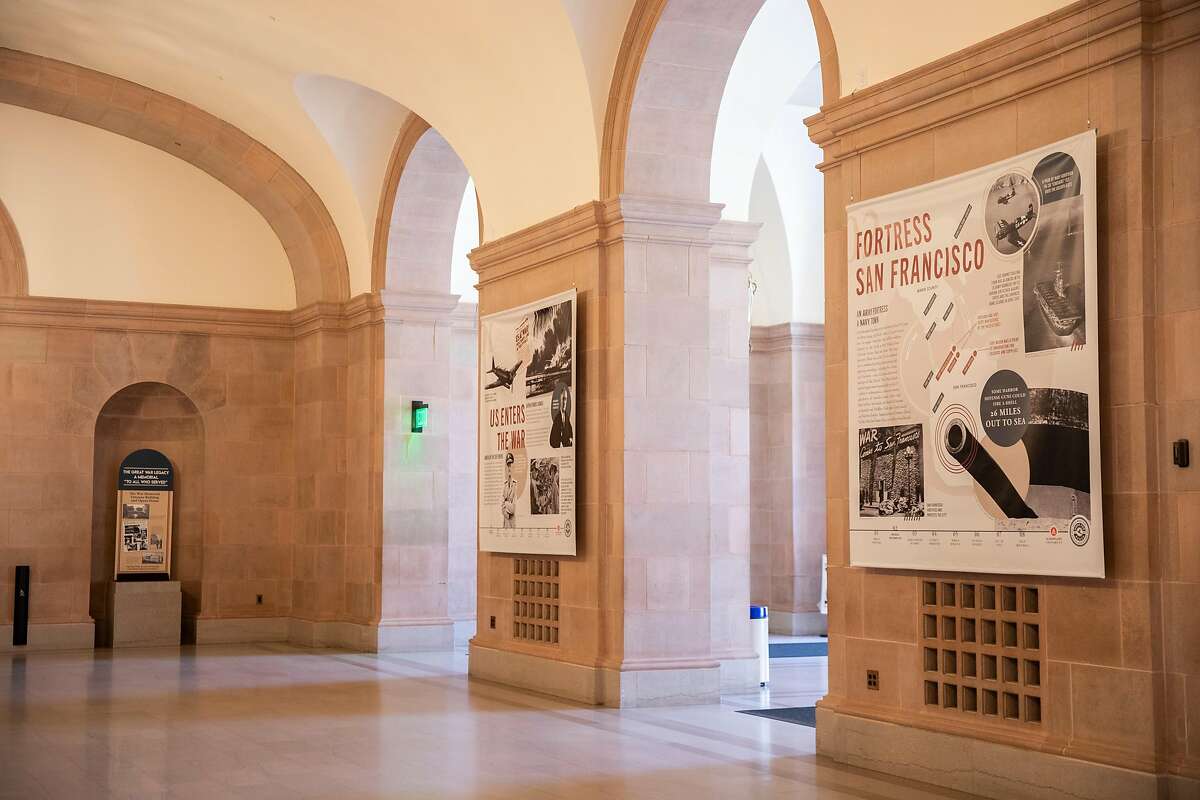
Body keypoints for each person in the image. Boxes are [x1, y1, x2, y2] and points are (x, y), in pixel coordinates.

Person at [549, 380, 573, 448]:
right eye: (563, 399)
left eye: (566, 399)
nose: (565, 402)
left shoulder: (566, 416)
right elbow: (552, 438)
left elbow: (570, 429)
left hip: (567, 446)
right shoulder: (557, 418)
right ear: (559, 401)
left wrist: (570, 438)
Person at [502, 452, 517, 528]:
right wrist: (507, 504)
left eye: (511, 465)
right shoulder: (504, 485)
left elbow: (513, 509)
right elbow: (501, 505)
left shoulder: (516, 484)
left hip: (513, 523)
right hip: (505, 522)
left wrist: (505, 503)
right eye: (508, 465)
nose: (509, 468)